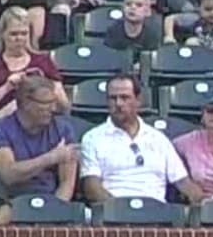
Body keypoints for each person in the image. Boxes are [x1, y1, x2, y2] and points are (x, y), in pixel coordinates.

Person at [79, 74, 202, 205]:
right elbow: (92, 188)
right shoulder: (93, 138)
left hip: (156, 213)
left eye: (124, 97)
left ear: (138, 100)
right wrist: (121, 209)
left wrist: (204, 202)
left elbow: (183, 182)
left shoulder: (158, 139)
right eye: (113, 98)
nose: (119, 103)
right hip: (112, 214)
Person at [0, 72, 77, 203]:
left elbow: (67, 183)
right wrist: (51, 158)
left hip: (51, 201)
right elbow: (8, 174)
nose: (53, 108)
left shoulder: (63, 129)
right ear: (26, 103)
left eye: (53, 102)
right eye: (46, 103)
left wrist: (56, 209)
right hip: (10, 204)